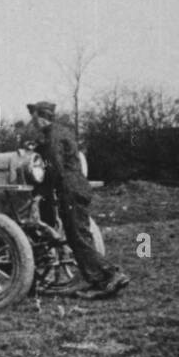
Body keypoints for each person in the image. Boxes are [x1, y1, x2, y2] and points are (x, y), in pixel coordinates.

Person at [27, 100, 129, 299]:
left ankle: (110, 274)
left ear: (41, 117)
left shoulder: (53, 136)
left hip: (69, 189)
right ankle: (100, 281)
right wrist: (39, 147)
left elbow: (55, 167)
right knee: (80, 235)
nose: (33, 122)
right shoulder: (61, 132)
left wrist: (40, 192)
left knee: (78, 237)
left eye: (34, 118)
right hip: (77, 187)